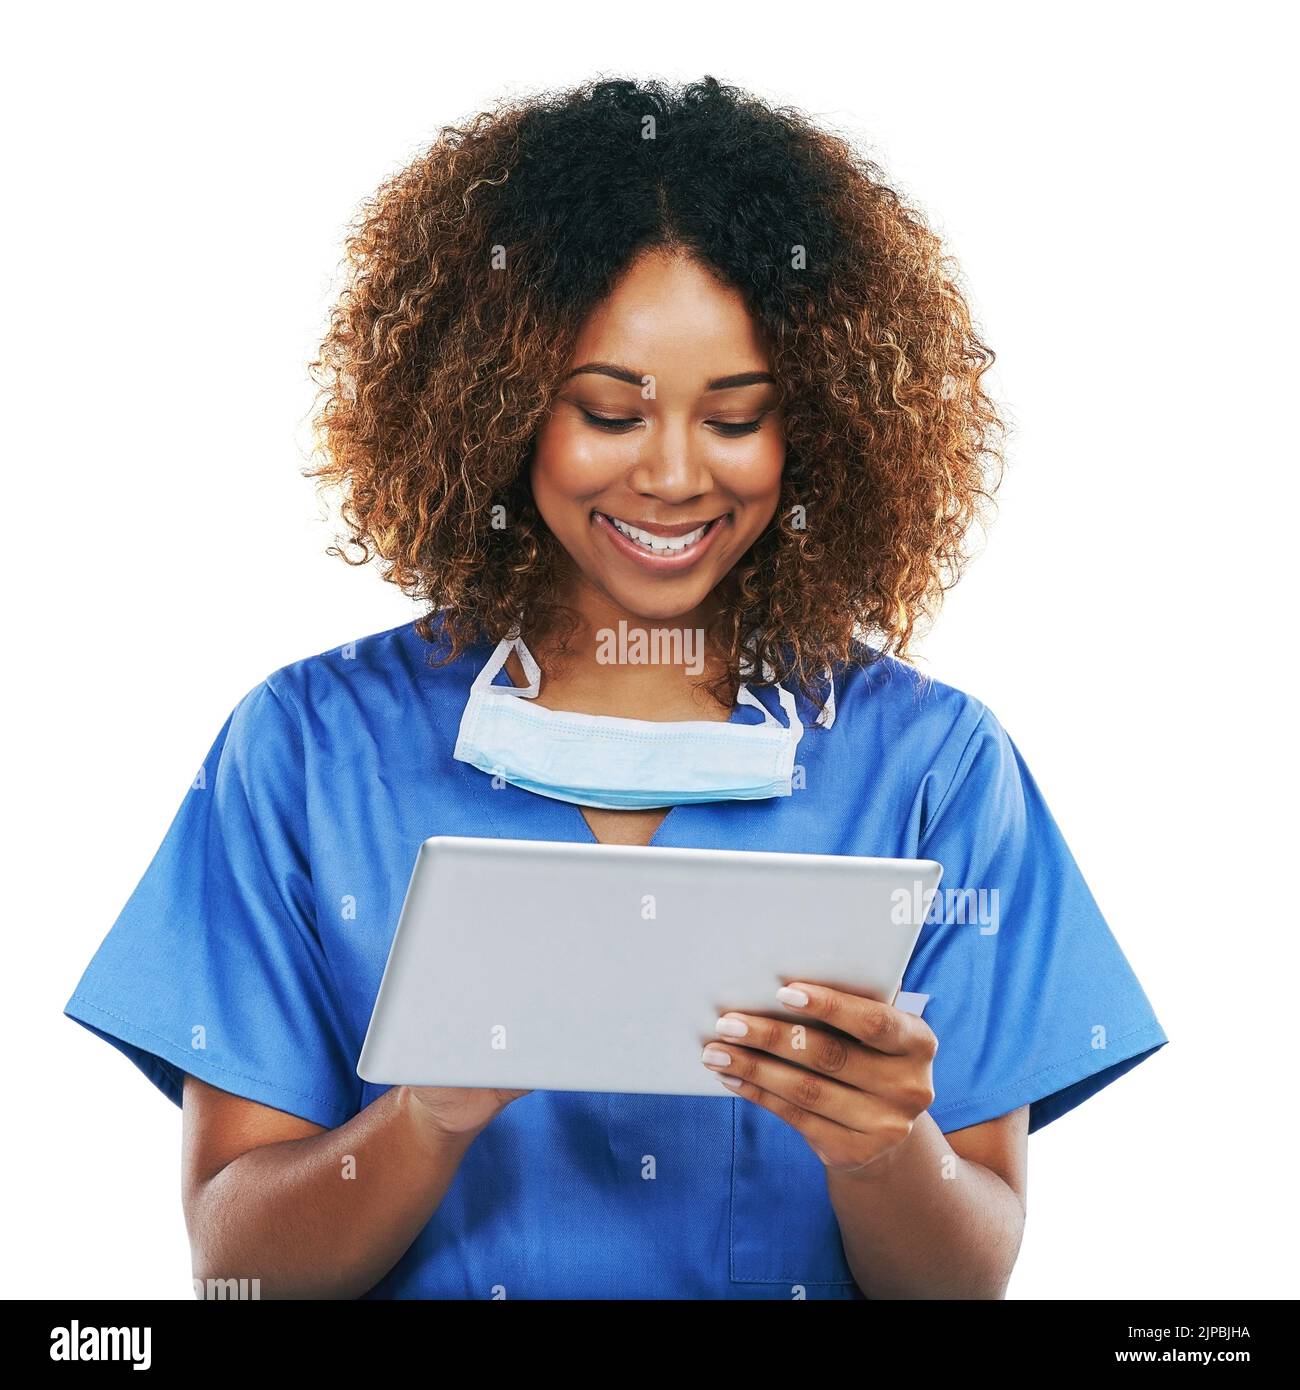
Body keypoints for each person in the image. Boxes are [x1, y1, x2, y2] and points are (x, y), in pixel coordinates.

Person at [63, 75, 1168, 1300]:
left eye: (738, 418)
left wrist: (880, 1154)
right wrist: (425, 1115)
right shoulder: (304, 750)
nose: (676, 476)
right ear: (494, 403)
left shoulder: (934, 766)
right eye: (607, 411)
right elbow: (236, 1271)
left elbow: (963, 1282)